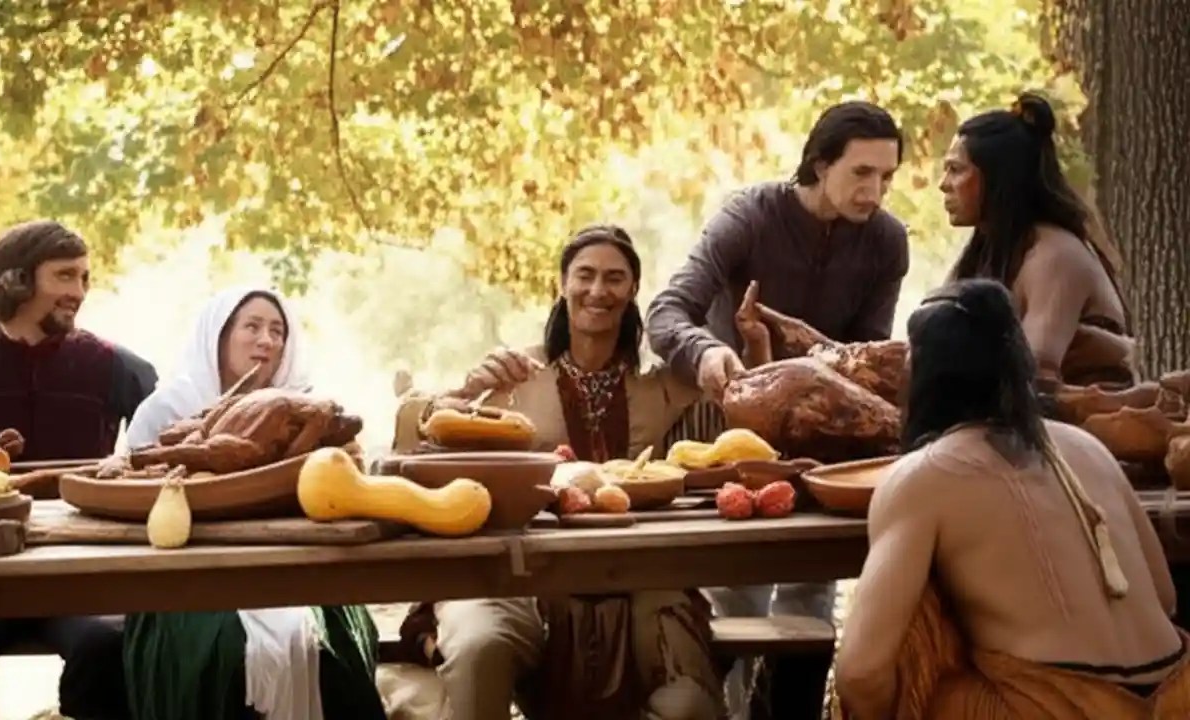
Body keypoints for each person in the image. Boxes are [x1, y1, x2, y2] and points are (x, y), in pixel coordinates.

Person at [388, 225, 720, 720]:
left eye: (614, 278)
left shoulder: (664, 384)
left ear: (632, 291)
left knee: (689, 701)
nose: (597, 290)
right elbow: (415, 453)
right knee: (479, 646)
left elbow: (744, 425)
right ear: (562, 285)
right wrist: (461, 390)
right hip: (518, 577)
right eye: (584, 275)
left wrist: (748, 352)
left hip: (641, 578)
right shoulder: (514, 377)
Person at [646, 101, 909, 719]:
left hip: (826, 453)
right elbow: (666, 312)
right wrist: (709, 354)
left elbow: (863, 357)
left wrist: (810, 354)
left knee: (810, 605)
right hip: (733, 441)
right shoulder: (750, 216)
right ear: (820, 164)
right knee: (735, 600)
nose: (875, 192)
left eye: (887, 177)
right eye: (862, 173)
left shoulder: (887, 242)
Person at [835, 279, 1190, 720]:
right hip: (1177, 696)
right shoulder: (1088, 447)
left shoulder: (923, 476)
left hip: (1052, 708)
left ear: (922, 374)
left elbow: (860, 673)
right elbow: (1165, 597)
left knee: (915, 636)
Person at [0, 220, 156, 719]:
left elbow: (163, 449)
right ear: (16, 279)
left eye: (85, 278)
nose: (79, 291)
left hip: (79, 575)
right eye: (65, 276)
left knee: (111, 646)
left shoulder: (118, 368)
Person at [123, 286, 386, 720]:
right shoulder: (168, 409)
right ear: (219, 337)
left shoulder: (309, 413)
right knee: (226, 647)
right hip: (187, 573)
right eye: (253, 327)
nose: (267, 339)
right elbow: (138, 500)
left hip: (295, 564)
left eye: (277, 330)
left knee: (329, 643)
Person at [940, 92, 1134, 388]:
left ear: (998, 178)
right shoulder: (986, 251)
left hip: (1079, 426)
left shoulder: (1057, 256)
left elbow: (1034, 375)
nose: (944, 185)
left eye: (956, 170)